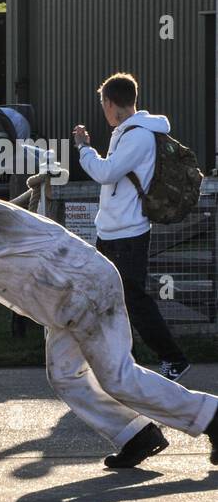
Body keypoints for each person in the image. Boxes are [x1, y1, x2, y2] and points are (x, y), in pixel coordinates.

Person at [0, 179, 218, 469]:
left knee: (118, 377)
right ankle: (135, 435)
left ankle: (211, 416)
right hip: (67, 302)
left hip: (86, 291)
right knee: (64, 375)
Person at [73, 72, 190, 381]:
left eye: (103, 103)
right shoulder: (126, 131)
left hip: (128, 233)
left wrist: (84, 148)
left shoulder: (137, 135)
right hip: (112, 231)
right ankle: (124, 363)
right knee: (109, 299)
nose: (103, 109)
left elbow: (107, 173)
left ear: (111, 103)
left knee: (134, 300)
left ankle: (173, 359)